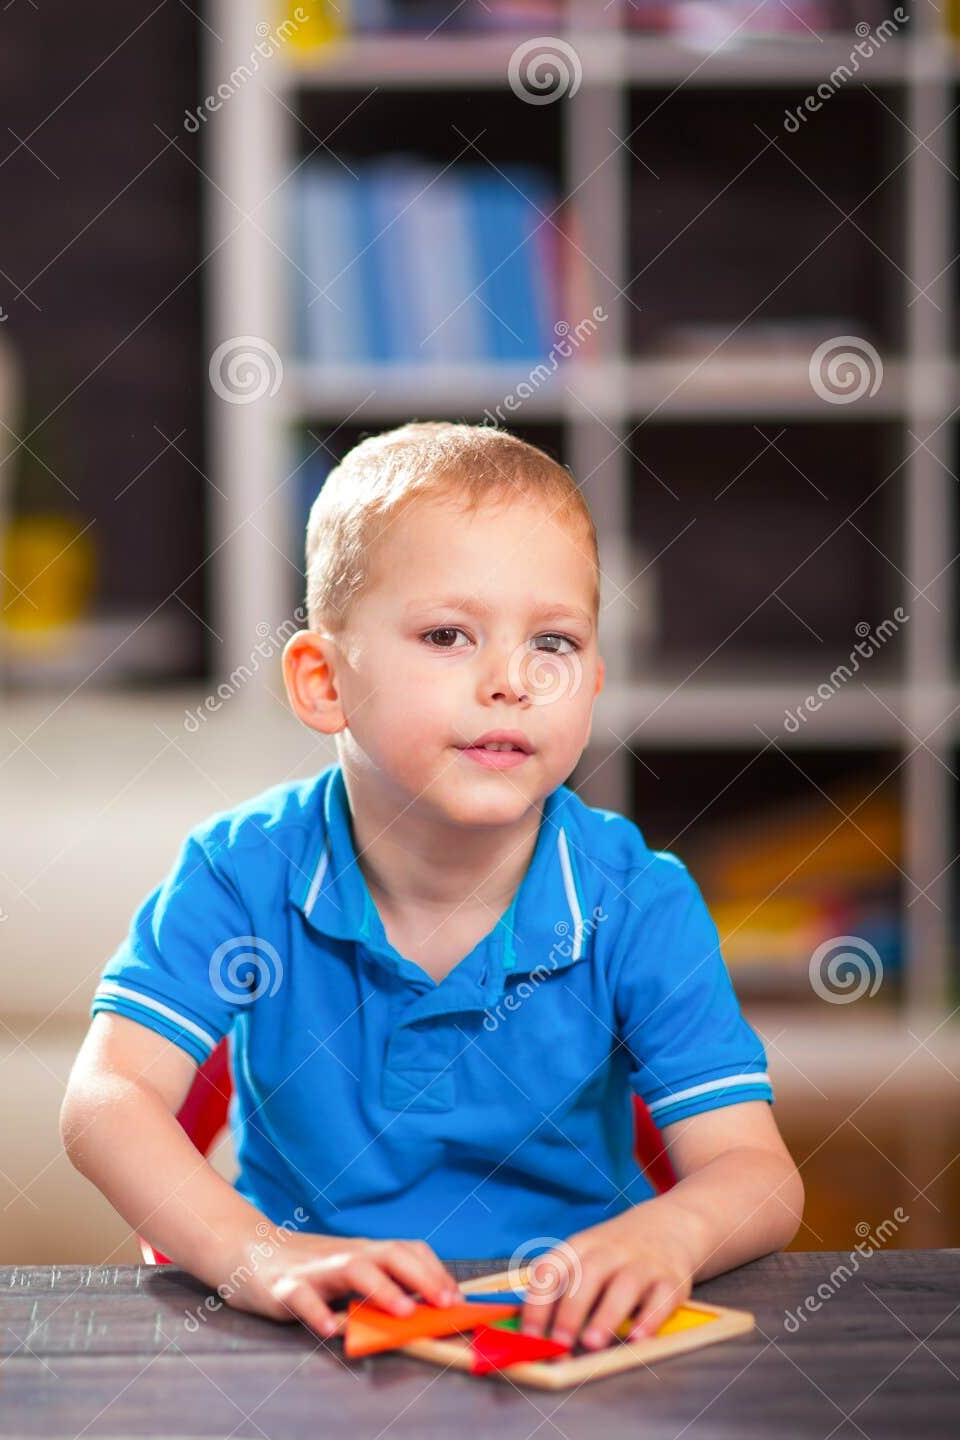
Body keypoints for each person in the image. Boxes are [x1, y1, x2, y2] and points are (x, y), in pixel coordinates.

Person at [61, 422, 803, 1351]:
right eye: (448, 634)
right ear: (324, 681)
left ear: (595, 681)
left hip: (565, 1335)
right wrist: (258, 1257)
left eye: (554, 643)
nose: (511, 680)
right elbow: (106, 1101)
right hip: (309, 1337)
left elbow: (759, 1175)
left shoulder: (637, 900)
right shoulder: (240, 871)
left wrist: (672, 1232)